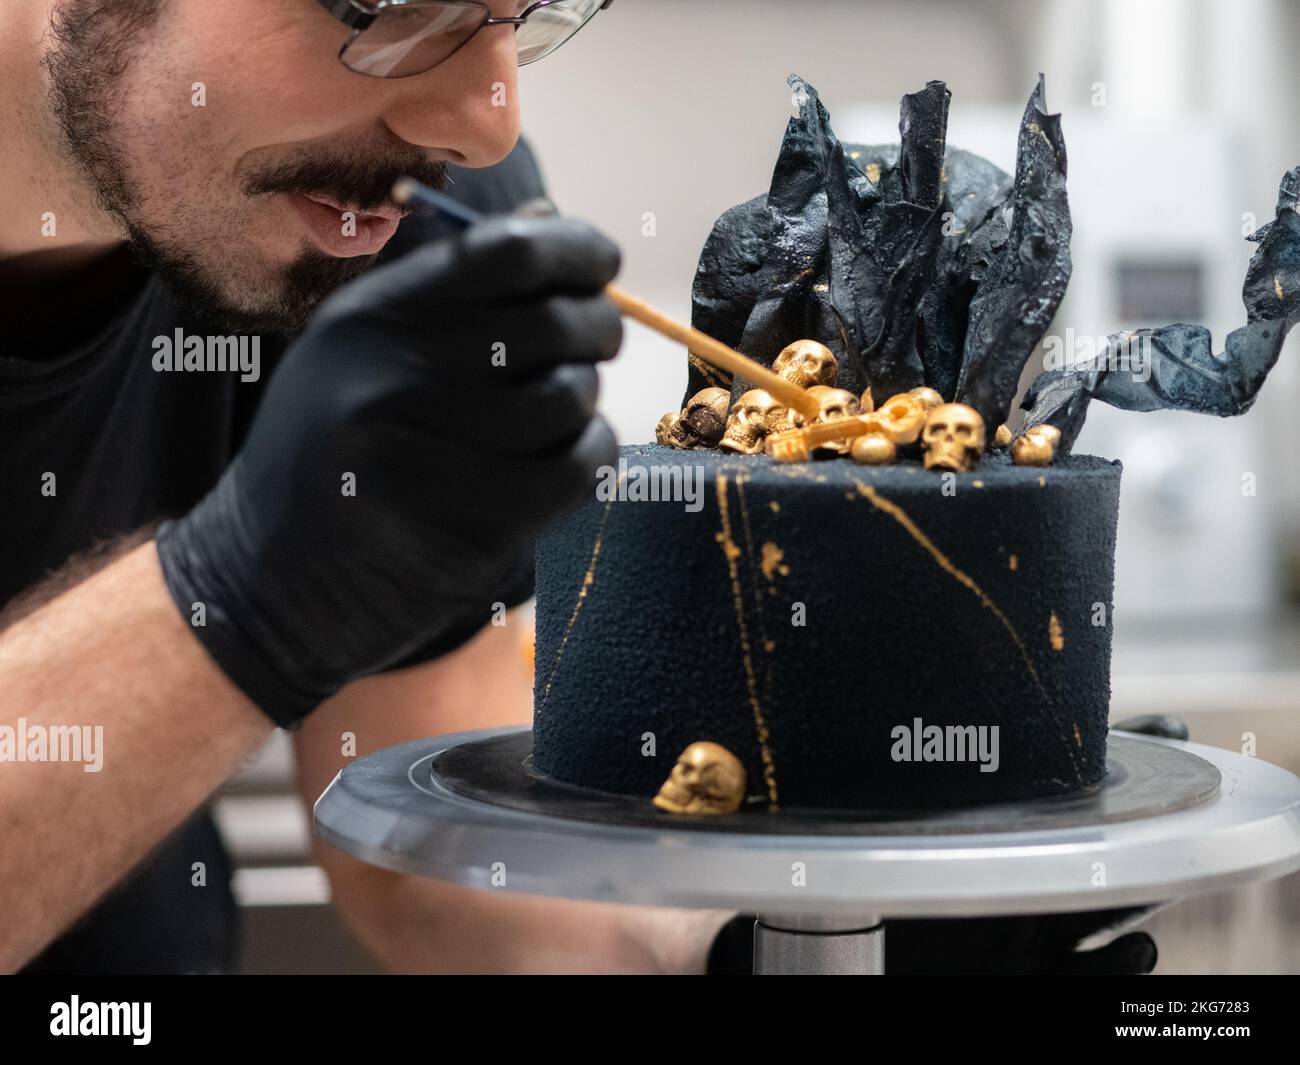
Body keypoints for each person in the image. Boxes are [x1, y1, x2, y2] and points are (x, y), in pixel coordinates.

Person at [0, 0, 1157, 975]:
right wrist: (241, 599)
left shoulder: (371, 209)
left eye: (528, 11)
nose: (486, 117)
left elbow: (417, 865)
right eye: (401, 4)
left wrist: (741, 945)